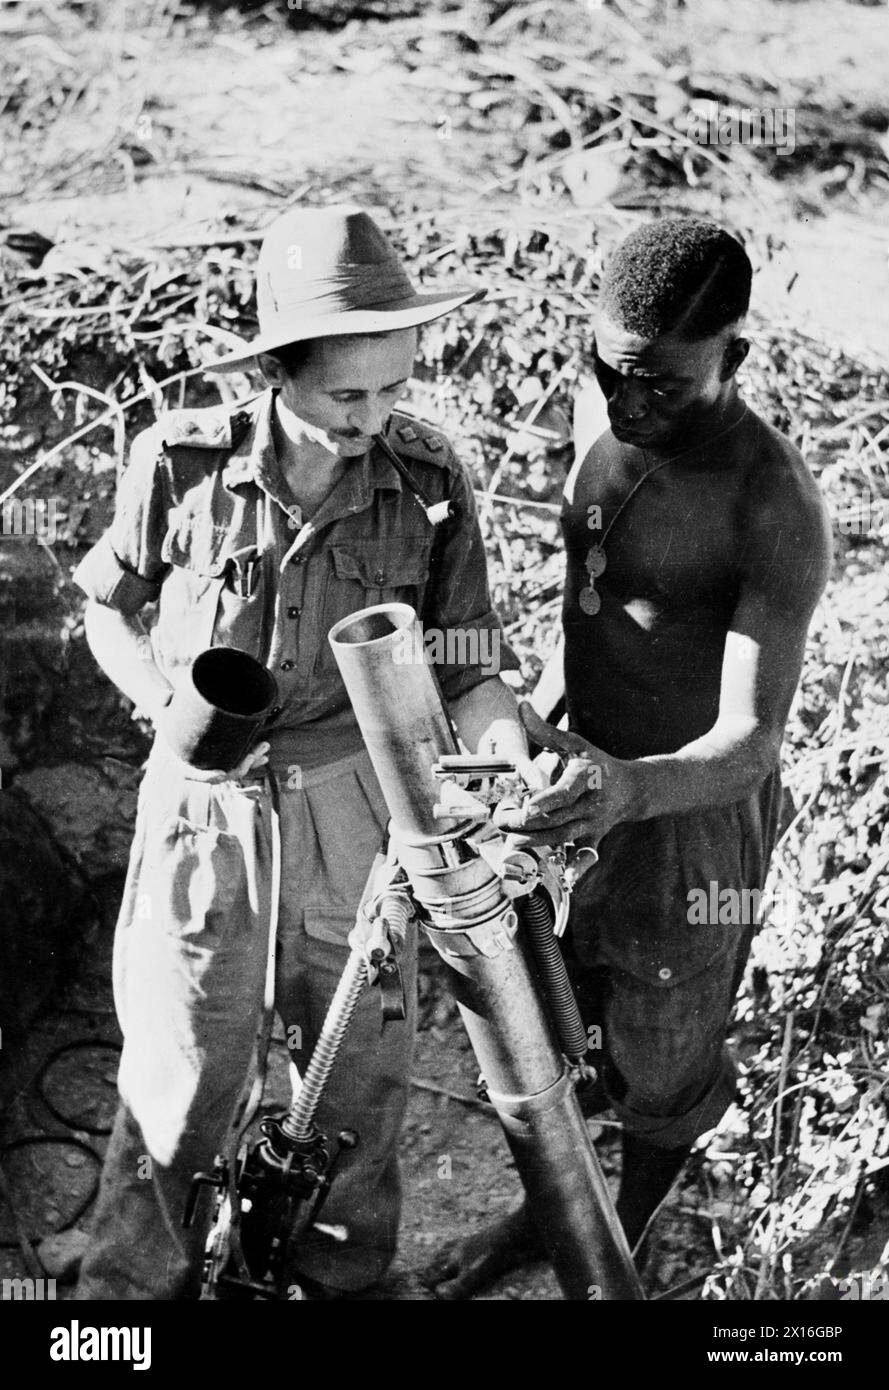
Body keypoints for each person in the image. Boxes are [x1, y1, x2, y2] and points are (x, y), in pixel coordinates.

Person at [72, 205, 536, 1300]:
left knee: (354, 1093)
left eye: (392, 389)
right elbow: (106, 609)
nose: (372, 416)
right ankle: (124, 1303)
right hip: (204, 809)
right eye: (345, 394)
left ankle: (340, 1288)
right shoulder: (182, 465)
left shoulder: (428, 483)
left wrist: (501, 745)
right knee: (183, 1081)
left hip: (356, 814)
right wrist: (173, 719)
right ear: (279, 371)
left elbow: (468, 664)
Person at [423, 217, 832, 1298]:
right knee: (556, 1009)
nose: (628, 403)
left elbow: (747, 745)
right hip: (576, 783)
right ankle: (548, 1210)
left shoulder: (771, 503)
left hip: (684, 816)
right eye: (609, 370)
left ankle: (616, 1242)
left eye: (662, 386)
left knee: (663, 1048)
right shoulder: (605, 411)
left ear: (734, 361)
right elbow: (594, 606)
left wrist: (627, 791)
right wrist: (542, 741)